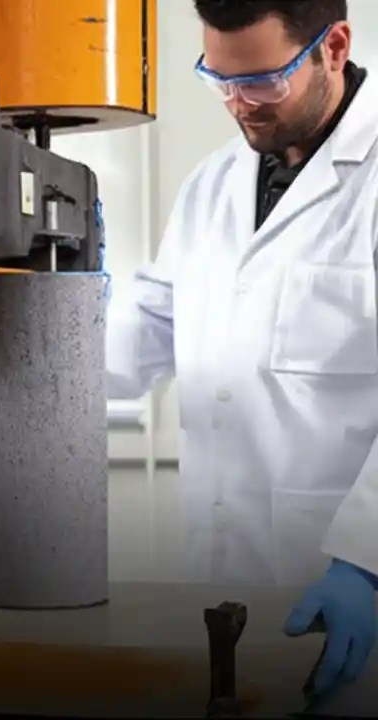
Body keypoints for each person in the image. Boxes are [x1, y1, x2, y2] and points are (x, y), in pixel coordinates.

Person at [107, 0, 378, 701]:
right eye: (218, 78)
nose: (237, 103)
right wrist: (57, 304)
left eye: (261, 80)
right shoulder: (212, 184)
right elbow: (147, 333)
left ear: (334, 46)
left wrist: (365, 562)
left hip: (346, 590)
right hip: (214, 590)